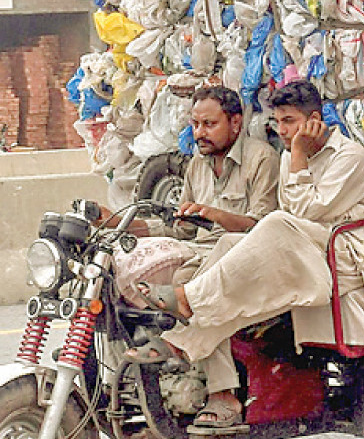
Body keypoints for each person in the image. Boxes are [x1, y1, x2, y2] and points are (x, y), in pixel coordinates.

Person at [149, 80, 364, 428]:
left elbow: (302, 213)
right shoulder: (291, 155)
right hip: (309, 249)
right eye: (277, 122)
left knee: (274, 223)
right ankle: (183, 342)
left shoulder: (348, 157)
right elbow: (295, 211)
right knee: (230, 244)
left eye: (289, 121)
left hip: (345, 258)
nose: (283, 131)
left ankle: (188, 300)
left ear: (314, 120)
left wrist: (300, 155)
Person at [98, 86, 280, 418]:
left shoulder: (261, 158)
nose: (200, 133)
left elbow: (264, 229)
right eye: (195, 124)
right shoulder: (197, 164)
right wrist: (117, 223)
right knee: (120, 277)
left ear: (235, 123)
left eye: (209, 124)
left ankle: (223, 394)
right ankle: (123, 377)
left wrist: (215, 215)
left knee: (196, 282)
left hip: (248, 255)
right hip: (199, 250)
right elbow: (179, 228)